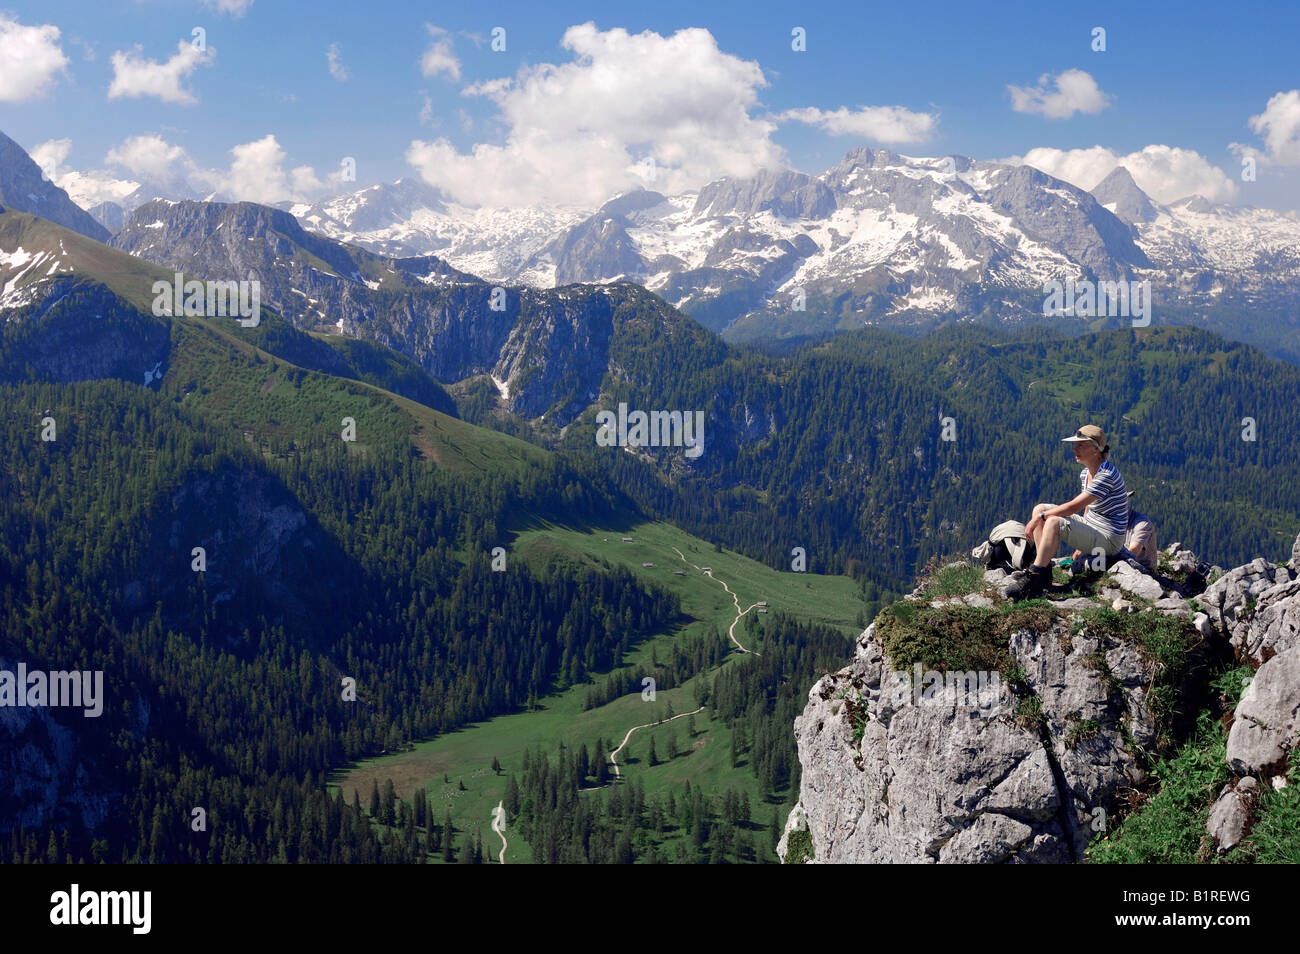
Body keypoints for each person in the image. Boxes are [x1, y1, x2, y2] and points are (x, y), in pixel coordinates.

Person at [1005, 424, 1130, 601]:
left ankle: (1034, 575)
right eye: (1075, 445)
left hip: (1109, 540)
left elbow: (1073, 507)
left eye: (1081, 445)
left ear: (1096, 450)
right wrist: (1082, 539)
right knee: (1039, 508)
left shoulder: (1106, 476)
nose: (1074, 449)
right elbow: (1088, 507)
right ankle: (1044, 574)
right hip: (1095, 528)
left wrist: (1039, 519)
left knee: (1052, 521)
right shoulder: (1087, 473)